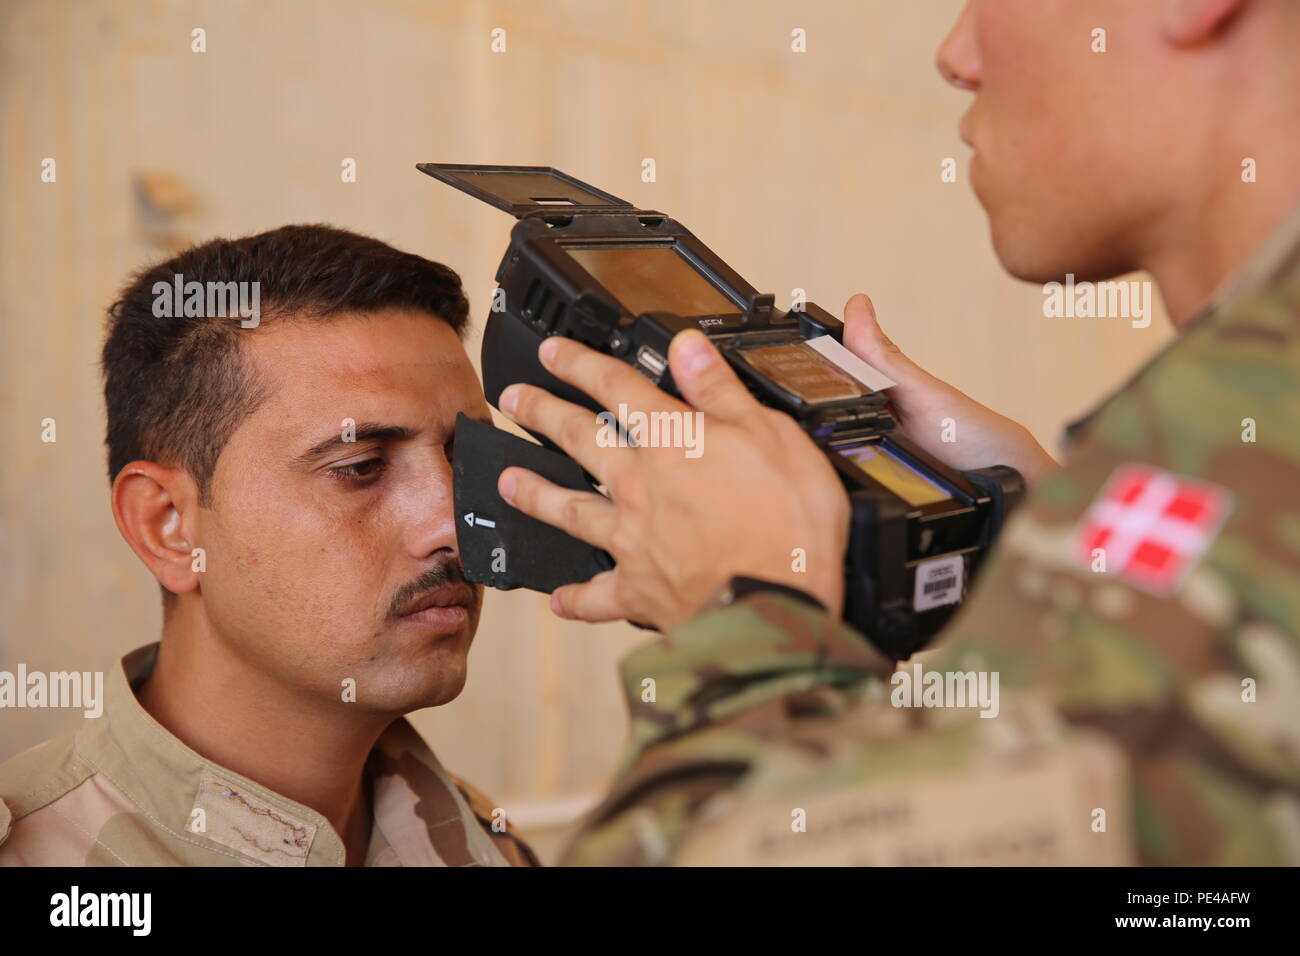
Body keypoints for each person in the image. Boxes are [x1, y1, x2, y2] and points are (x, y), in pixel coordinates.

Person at [491, 0, 1300, 864]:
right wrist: (1025, 529)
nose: (957, 56)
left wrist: (744, 615)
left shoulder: (1238, 443)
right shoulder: (1233, 440)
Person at [0, 225, 538, 866]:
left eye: (462, 458)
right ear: (168, 524)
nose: (452, 525)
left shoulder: (490, 846)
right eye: (360, 466)